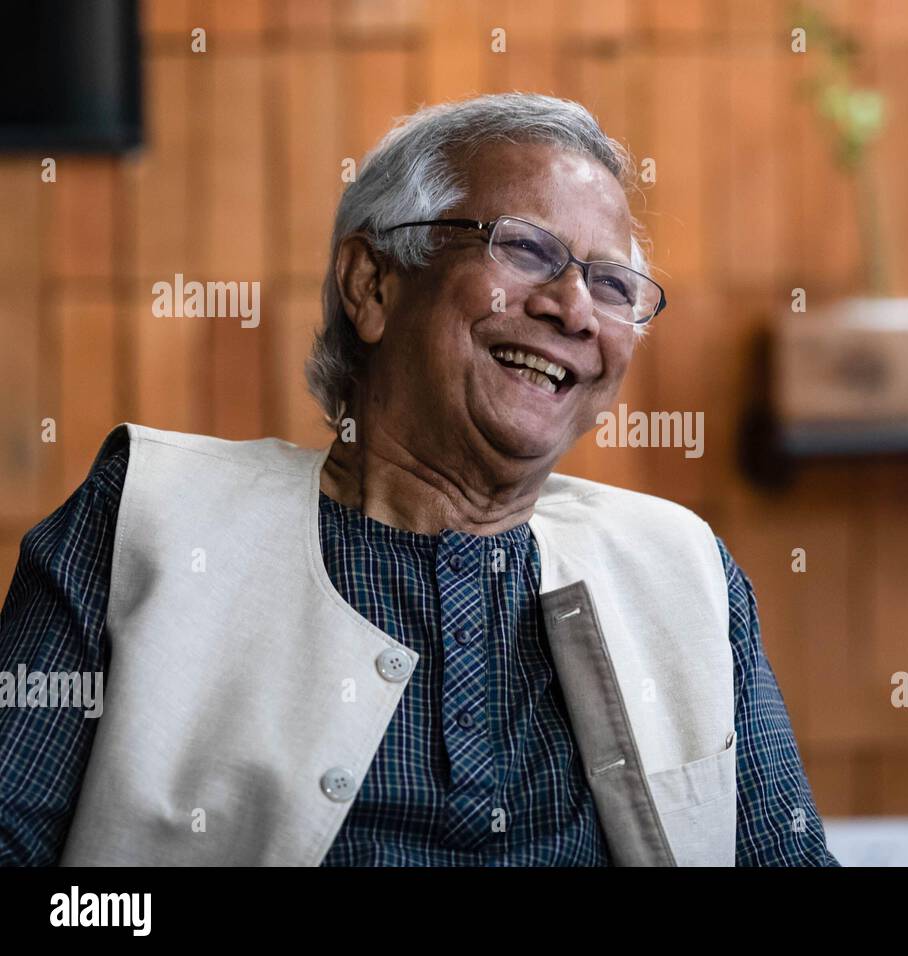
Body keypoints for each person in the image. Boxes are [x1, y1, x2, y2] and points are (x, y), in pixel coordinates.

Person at [0, 92, 839, 867]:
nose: (576, 310)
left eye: (613, 285)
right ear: (372, 284)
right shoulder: (146, 521)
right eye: (527, 249)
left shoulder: (681, 570)